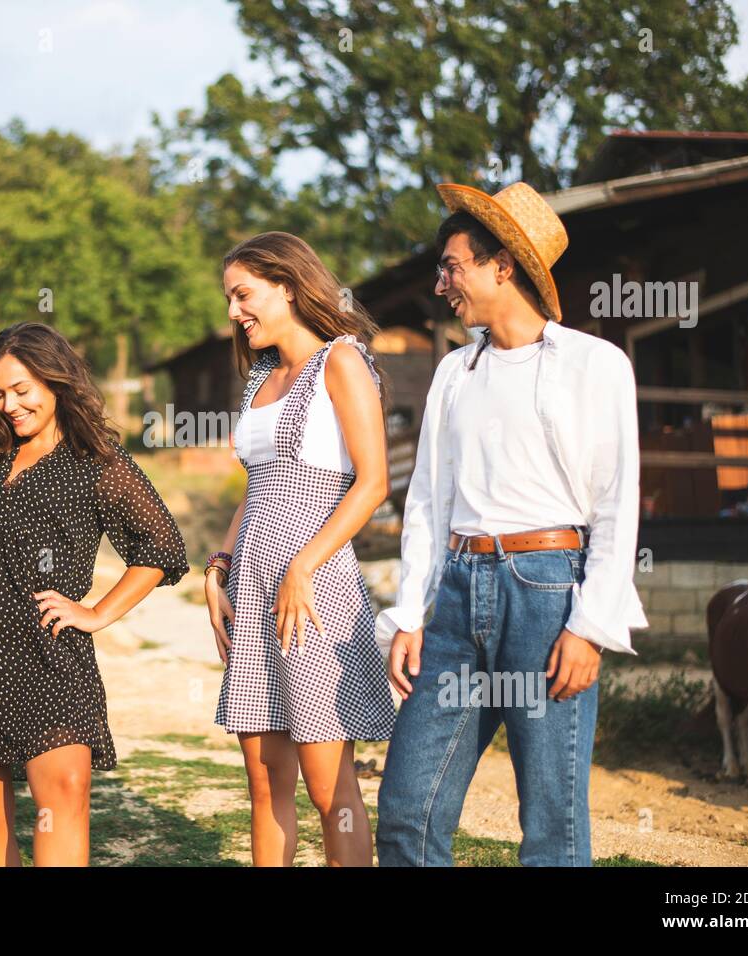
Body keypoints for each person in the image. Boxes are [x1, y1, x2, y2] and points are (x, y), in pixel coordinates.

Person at [374, 181, 648, 867]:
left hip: (548, 595)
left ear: (504, 266)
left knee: (551, 825)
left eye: (452, 266)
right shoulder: (451, 375)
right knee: (409, 808)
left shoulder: (596, 365)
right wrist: (409, 612)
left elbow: (618, 504)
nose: (441, 285)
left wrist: (590, 627)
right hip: (458, 598)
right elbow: (428, 504)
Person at [0, 321, 189, 866]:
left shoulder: (96, 462)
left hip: (49, 658)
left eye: (22, 390)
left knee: (61, 804)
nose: (10, 405)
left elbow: (162, 547)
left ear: (56, 381)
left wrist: (96, 613)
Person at [207, 231, 397, 866]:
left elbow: (373, 484)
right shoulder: (260, 376)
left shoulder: (342, 361)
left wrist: (303, 565)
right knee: (264, 784)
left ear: (286, 286)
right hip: (253, 586)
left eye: (243, 294)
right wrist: (219, 565)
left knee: (329, 788)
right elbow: (255, 491)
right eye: (230, 298)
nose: (234, 311)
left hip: (311, 590)